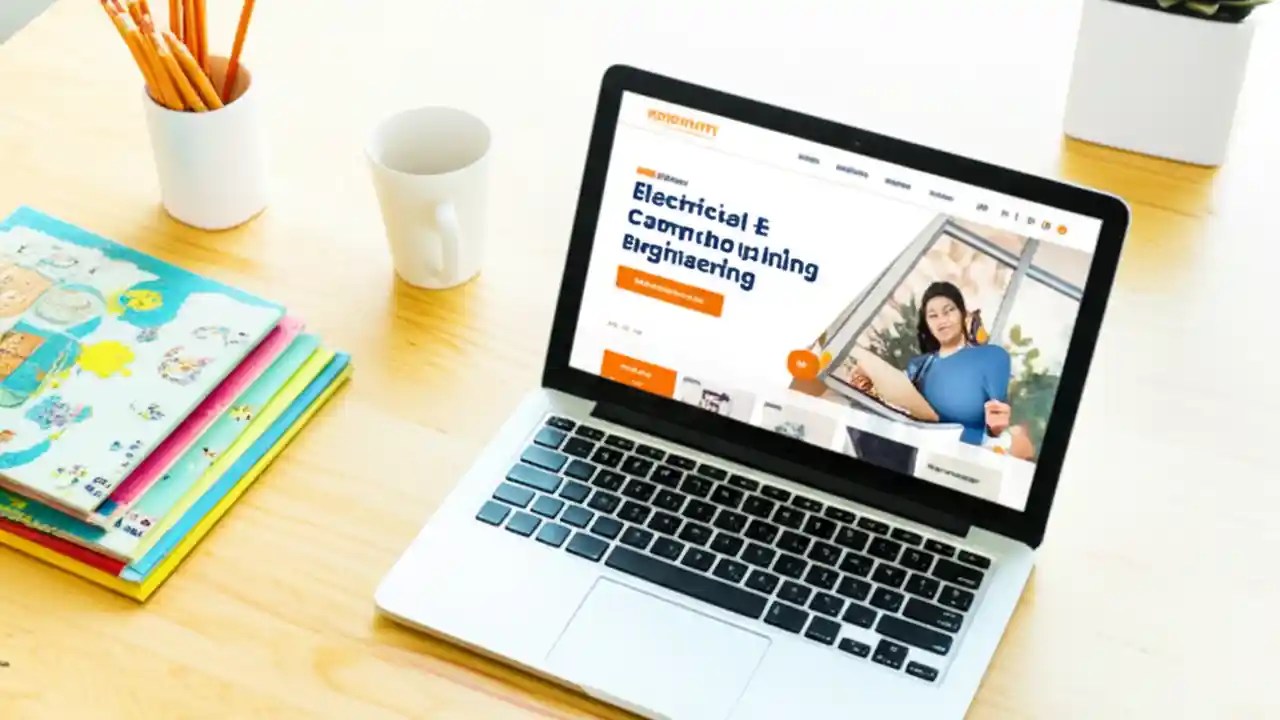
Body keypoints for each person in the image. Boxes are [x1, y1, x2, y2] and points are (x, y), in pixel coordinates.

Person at [852, 281, 1033, 459]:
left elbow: (997, 426)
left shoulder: (990, 359)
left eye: (948, 311)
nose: (942, 321)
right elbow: (897, 404)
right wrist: (868, 386)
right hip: (910, 452)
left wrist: (996, 431)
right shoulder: (920, 365)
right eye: (933, 315)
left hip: (958, 460)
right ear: (927, 323)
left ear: (963, 313)